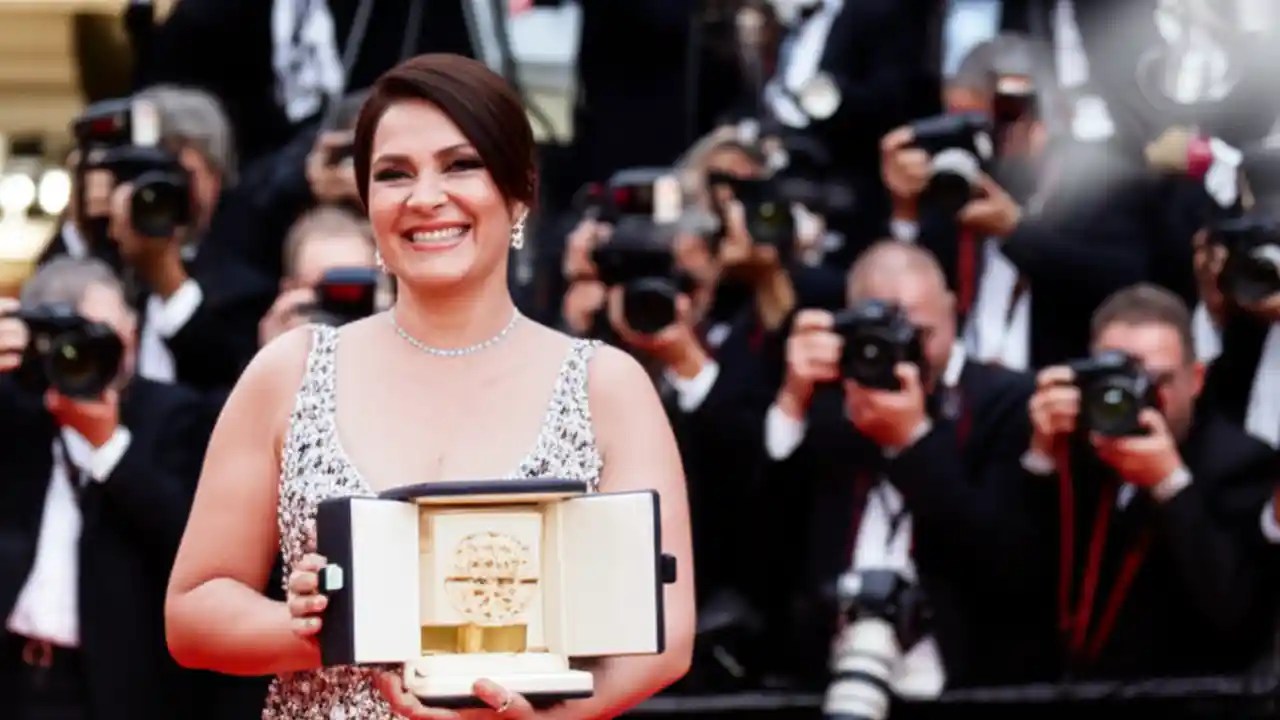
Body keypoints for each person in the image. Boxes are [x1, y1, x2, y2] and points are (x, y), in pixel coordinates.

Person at [164, 53, 695, 719]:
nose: (425, 197)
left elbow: (666, 637)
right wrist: (313, 629)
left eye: (460, 165)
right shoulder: (289, 372)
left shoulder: (606, 386)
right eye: (393, 174)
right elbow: (192, 614)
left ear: (520, 189)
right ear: (368, 204)